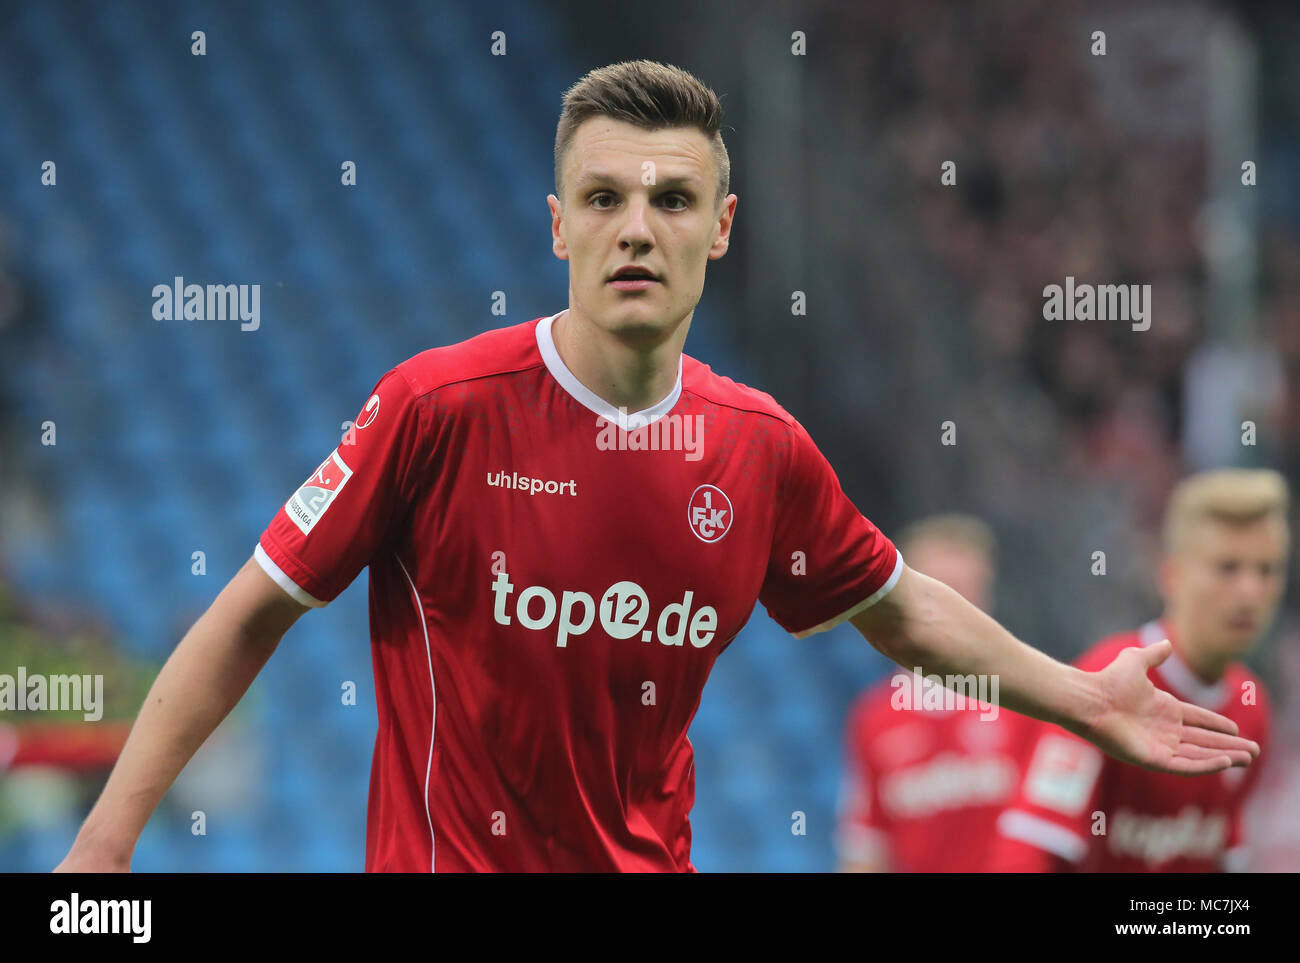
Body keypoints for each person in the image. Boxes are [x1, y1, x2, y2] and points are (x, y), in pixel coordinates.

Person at [55, 61, 1258, 873]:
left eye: (673, 198)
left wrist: (1082, 696)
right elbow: (250, 613)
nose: (638, 225)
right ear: (558, 224)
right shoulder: (439, 409)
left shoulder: (759, 449)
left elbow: (902, 615)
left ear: (721, 229)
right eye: (605, 196)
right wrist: (105, 850)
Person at [987, 469, 1284, 872]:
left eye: (1266, 570)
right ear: (1172, 576)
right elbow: (1029, 848)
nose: (1250, 591)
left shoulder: (1252, 708)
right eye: (1227, 568)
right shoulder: (1106, 681)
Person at [836, 514, 1034, 872]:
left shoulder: (1029, 700)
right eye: (939, 589)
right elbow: (866, 850)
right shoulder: (875, 719)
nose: (953, 609)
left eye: (966, 590)